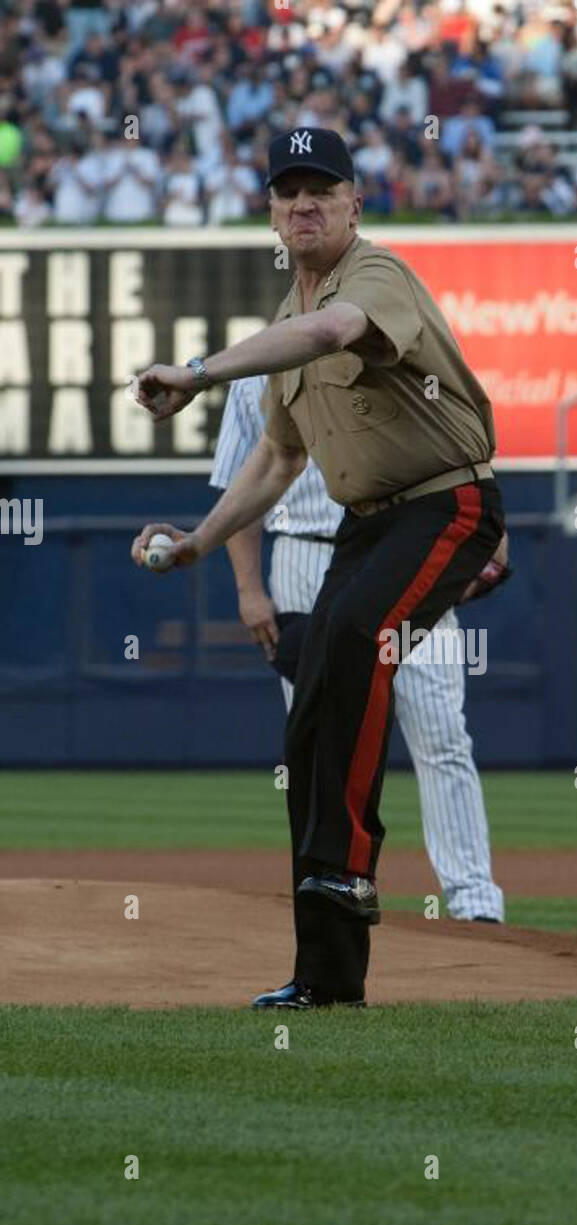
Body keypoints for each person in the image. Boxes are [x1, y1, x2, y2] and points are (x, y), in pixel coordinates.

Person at [131, 128, 506, 1011]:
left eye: (320, 189)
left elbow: (334, 329)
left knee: (349, 641)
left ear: (353, 205)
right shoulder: (280, 343)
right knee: (307, 717)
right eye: (287, 190)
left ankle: (358, 871)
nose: (303, 204)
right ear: (270, 209)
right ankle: (328, 973)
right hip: (369, 526)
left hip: (446, 503)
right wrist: (195, 543)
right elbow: (273, 463)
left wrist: (196, 372)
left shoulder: (374, 277)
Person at [210, 376, 504, 924]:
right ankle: (327, 897)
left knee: (442, 735)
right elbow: (239, 493)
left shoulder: (398, 358)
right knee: (322, 743)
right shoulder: (256, 375)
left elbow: (462, 455)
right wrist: (249, 590)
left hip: (404, 552)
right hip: (302, 558)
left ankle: (474, 901)